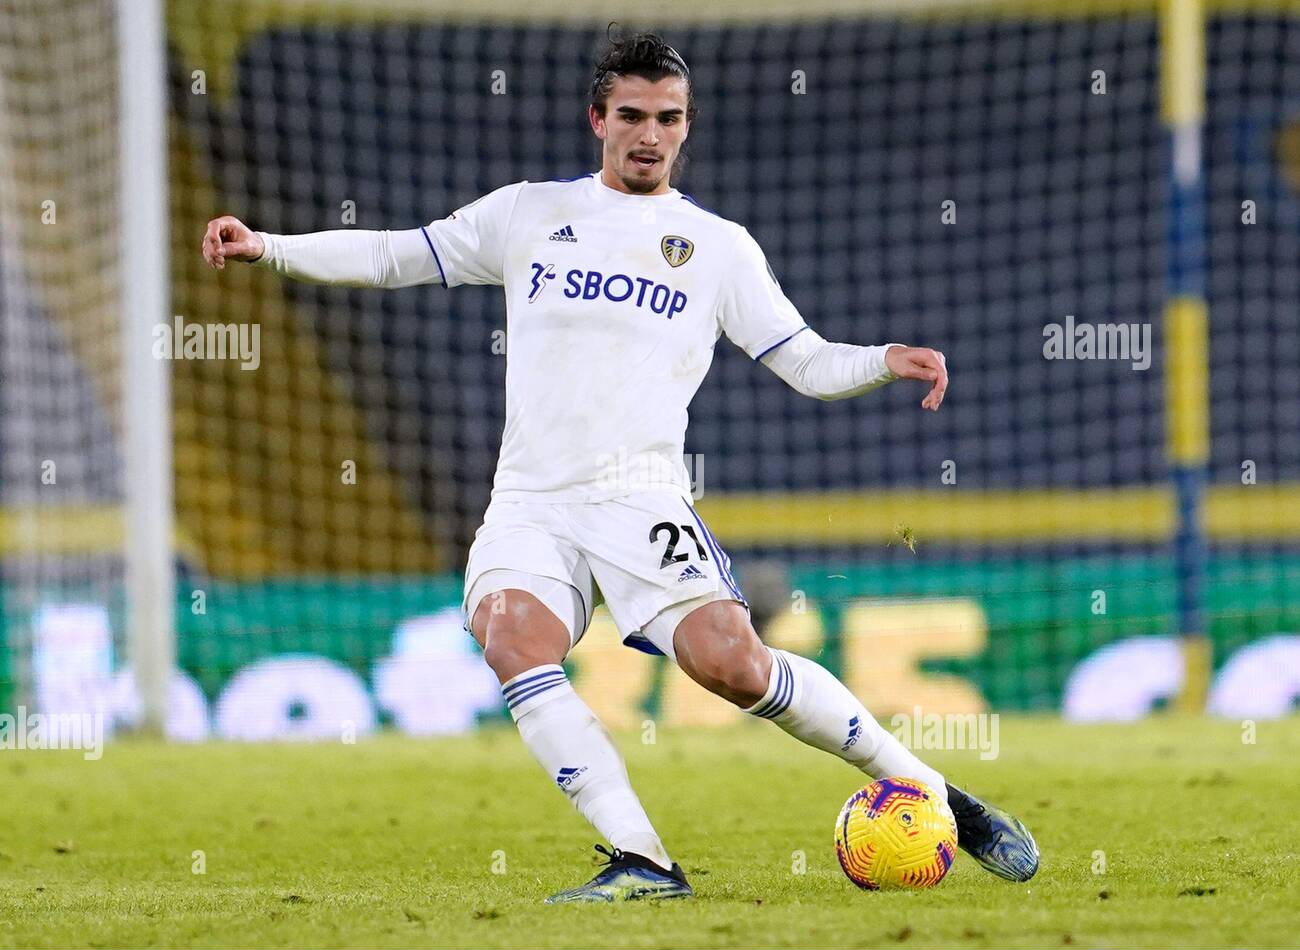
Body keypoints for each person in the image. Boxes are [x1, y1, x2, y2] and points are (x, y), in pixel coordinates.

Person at [202, 30, 1038, 903]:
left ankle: (938, 795)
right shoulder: (527, 213)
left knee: (735, 667)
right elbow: (394, 254)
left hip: (640, 500)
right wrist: (270, 244)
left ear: (686, 127)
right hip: (530, 498)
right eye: (632, 115)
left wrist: (882, 358)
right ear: (596, 117)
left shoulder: (718, 247)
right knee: (511, 638)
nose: (649, 134)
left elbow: (805, 360)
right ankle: (643, 861)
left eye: (667, 118)